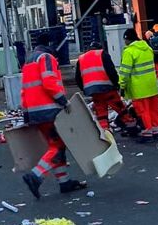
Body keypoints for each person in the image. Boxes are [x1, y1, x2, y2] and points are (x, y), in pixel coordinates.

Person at [20, 32, 87, 199]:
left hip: (35, 112)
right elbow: (49, 82)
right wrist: (64, 101)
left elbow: (24, 90)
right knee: (57, 145)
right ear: (50, 44)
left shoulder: (29, 60)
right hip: (49, 109)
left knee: (56, 145)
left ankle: (64, 182)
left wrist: (26, 113)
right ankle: (35, 176)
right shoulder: (46, 58)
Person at [74, 41, 139, 135]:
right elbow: (111, 71)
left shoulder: (81, 58)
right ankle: (131, 125)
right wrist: (117, 84)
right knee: (119, 107)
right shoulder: (102, 54)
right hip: (107, 87)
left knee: (100, 110)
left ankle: (105, 131)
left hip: (92, 90)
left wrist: (85, 89)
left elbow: (78, 78)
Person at [119, 28, 158, 139]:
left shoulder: (129, 51)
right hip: (152, 85)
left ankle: (147, 132)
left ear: (127, 39)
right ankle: (156, 130)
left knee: (143, 111)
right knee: (153, 109)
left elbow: (125, 72)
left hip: (139, 88)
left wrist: (122, 86)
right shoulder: (147, 48)